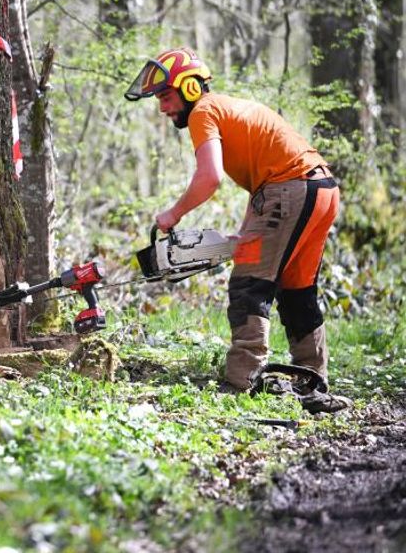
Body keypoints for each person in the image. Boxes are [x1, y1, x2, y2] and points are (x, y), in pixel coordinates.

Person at [125, 47, 351, 413]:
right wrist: (244, 234)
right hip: (321, 190)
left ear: (190, 87)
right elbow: (262, 185)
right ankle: (313, 381)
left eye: (165, 97)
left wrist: (173, 214)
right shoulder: (229, 107)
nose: (163, 108)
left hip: (290, 190)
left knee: (249, 284)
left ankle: (242, 380)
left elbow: (209, 177)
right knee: (297, 291)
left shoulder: (203, 111)